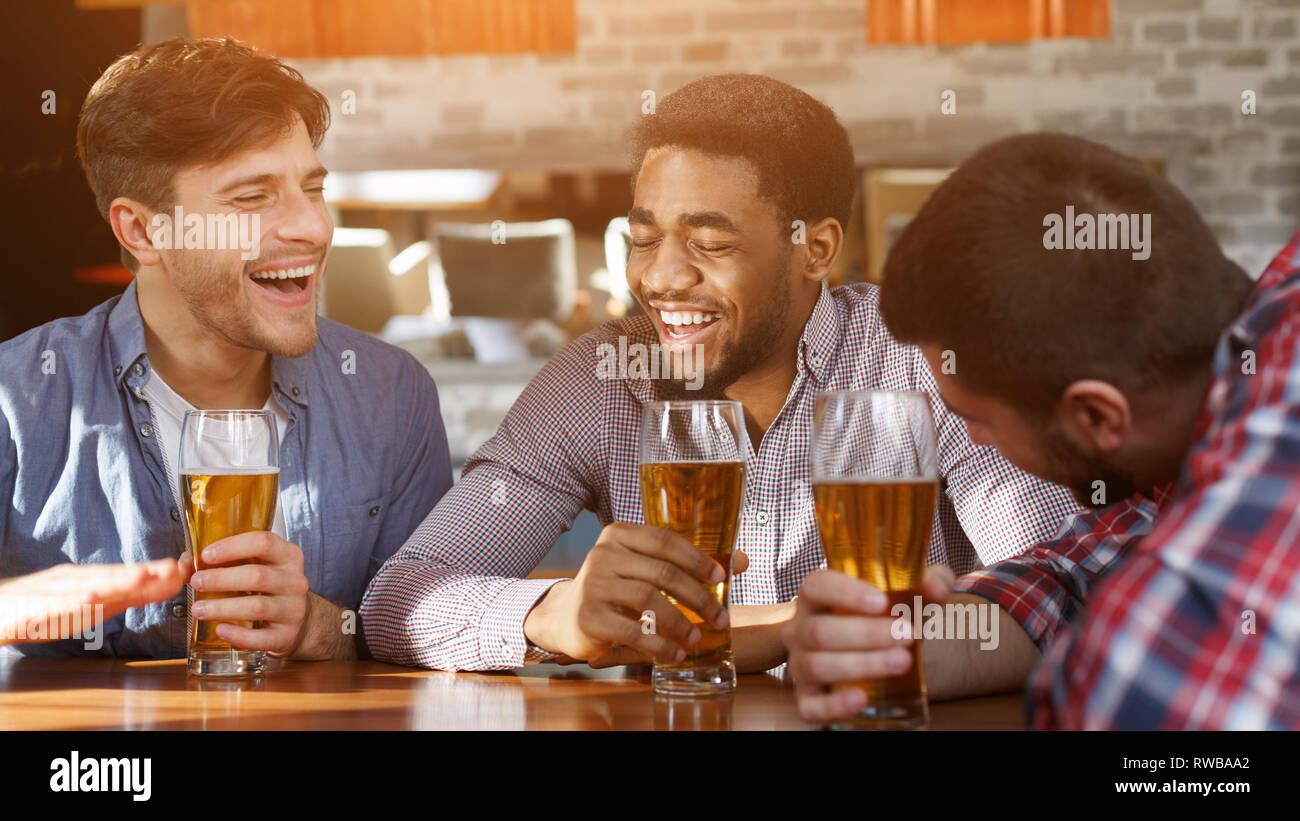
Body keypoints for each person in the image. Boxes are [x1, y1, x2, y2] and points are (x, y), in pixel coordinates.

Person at [360, 75, 1081, 673]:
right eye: (643, 238)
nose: (662, 276)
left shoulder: (922, 358)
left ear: (817, 248)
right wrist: (552, 612)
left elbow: (1064, 585)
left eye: (709, 241)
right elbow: (397, 600)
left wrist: (783, 630)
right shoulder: (600, 378)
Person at [783, 132, 1299, 729]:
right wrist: (892, 646)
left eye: (973, 417)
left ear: (1096, 418)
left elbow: (1150, 703)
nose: (970, 439)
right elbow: (1074, 576)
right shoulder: (1196, 422)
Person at [0, 37, 452, 659]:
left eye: (312, 189)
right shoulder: (16, 397)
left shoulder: (392, 392)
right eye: (251, 197)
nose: (313, 227)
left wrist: (318, 627)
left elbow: (425, 637)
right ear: (143, 230)